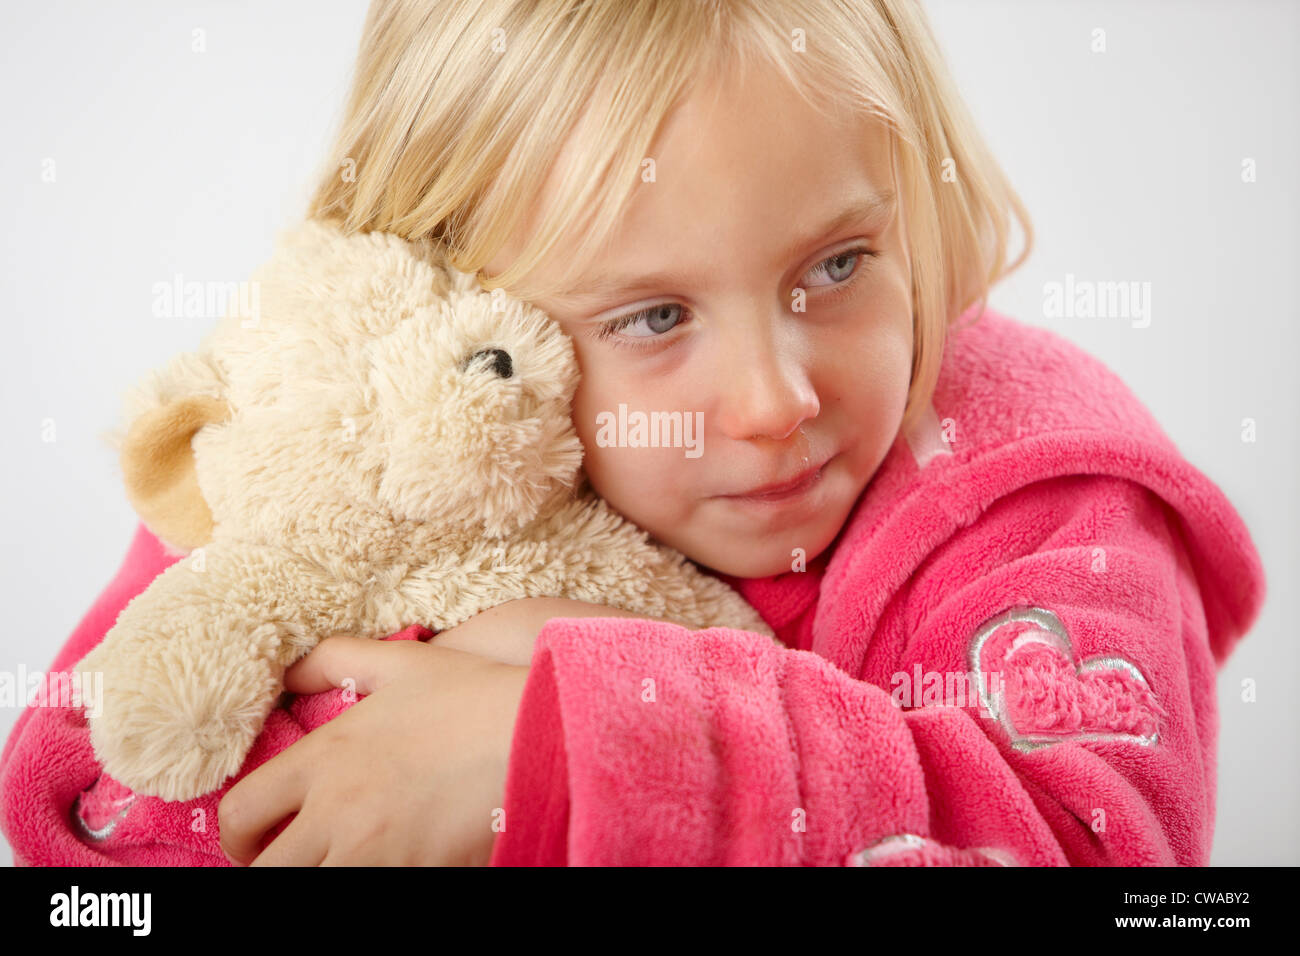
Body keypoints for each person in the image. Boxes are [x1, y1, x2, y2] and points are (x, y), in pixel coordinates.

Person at [0, 0, 1266, 866]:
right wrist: (429, 741)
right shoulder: (366, 454)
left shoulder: (1019, 482)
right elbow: (83, 810)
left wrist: (582, 733)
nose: (774, 401)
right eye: (654, 316)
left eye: (837, 264)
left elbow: (1106, 853)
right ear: (448, 295)